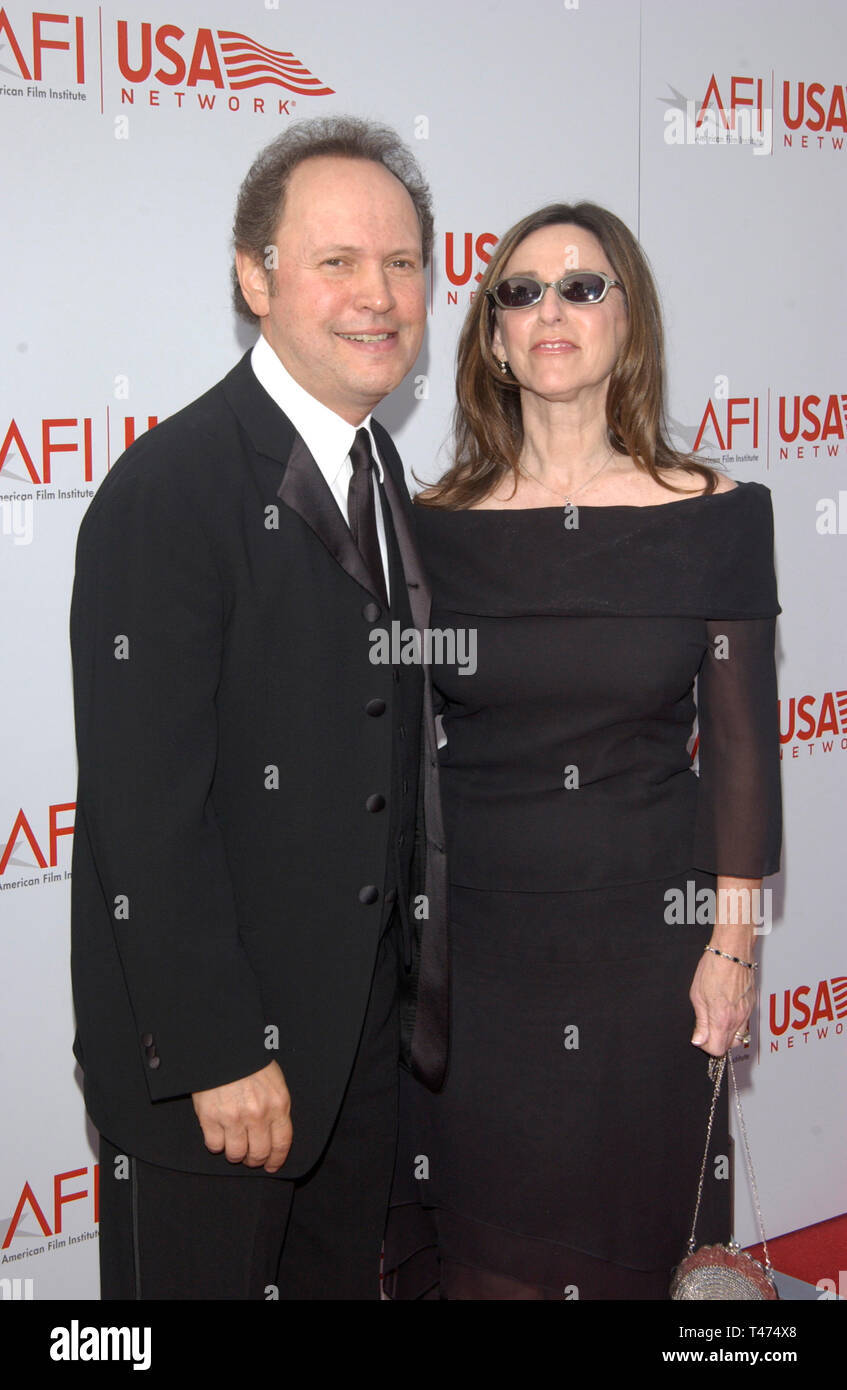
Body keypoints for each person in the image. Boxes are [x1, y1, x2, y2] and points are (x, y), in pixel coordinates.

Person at [69, 116, 448, 1301]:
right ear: (255, 276)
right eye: (335, 261)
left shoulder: (383, 472)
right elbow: (145, 809)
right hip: (218, 1083)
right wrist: (219, 1053)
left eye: (399, 263)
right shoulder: (169, 489)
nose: (376, 294)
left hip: (354, 1060)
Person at [384, 201, 781, 1300]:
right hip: (474, 956)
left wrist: (733, 941)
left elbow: (743, 753)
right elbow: (384, 750)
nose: (548, 309)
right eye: (519, 291)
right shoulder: (428, 526)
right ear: (494, 337)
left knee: (634, 1247)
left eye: (580, 286)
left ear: (626, 322)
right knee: (481, 1253)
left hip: (644, 954)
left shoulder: (714, 514)